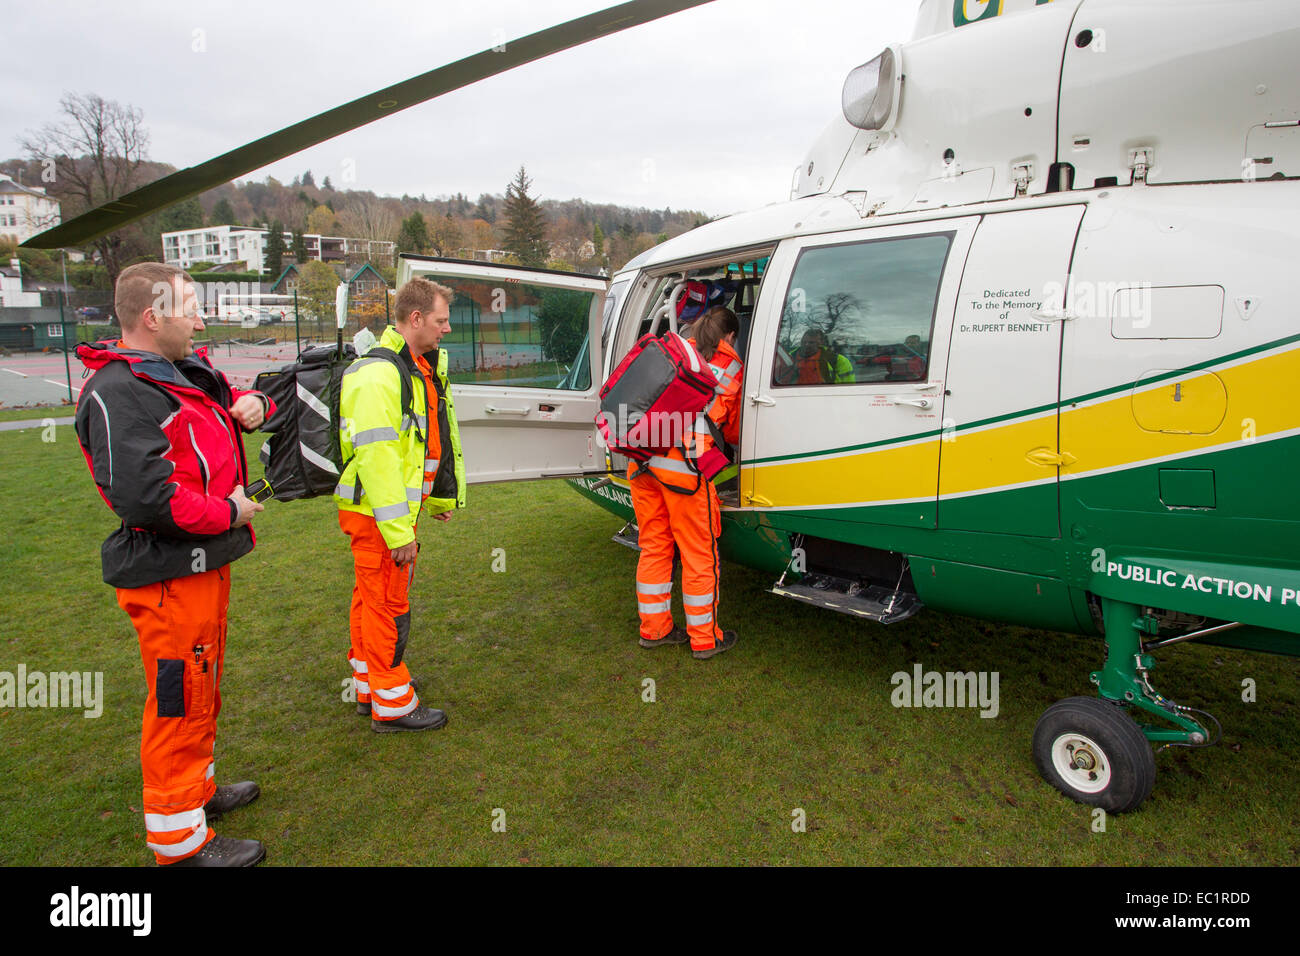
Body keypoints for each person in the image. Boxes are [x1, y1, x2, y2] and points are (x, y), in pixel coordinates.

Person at [74, 262, 274, 867]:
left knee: (200, 685)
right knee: (177, 698)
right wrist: (229, 511)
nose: (200, 316)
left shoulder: (181, 369)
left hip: (201, 563)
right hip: (167, 569)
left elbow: (224, 396)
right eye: (190, 305)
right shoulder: (119, 390)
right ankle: (180, 844)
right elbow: (148, 498)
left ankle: (197, 793)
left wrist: (252, 402)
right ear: (151, 316)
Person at [336, 276, 464, 732]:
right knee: (387, 605)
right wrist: (399, 533)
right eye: (440, 320)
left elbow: (420, 445)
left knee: (369, 602)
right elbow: (378, 458)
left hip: (386, 514)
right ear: (415, 319)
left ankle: (370, 686)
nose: (445, 329)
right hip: (379, 517)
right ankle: (393, 703)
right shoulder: (380, 373)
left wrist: (432, 502)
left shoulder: (412, 365)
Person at [629, 306, 744, 659]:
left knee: (654, 546)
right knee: (698, 555)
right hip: (684, 471)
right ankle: (705, 639)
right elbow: (734, 428)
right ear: (729, 337)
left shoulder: (672, 351)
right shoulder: (730, 366)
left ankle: (655, 629)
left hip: (642, 462)